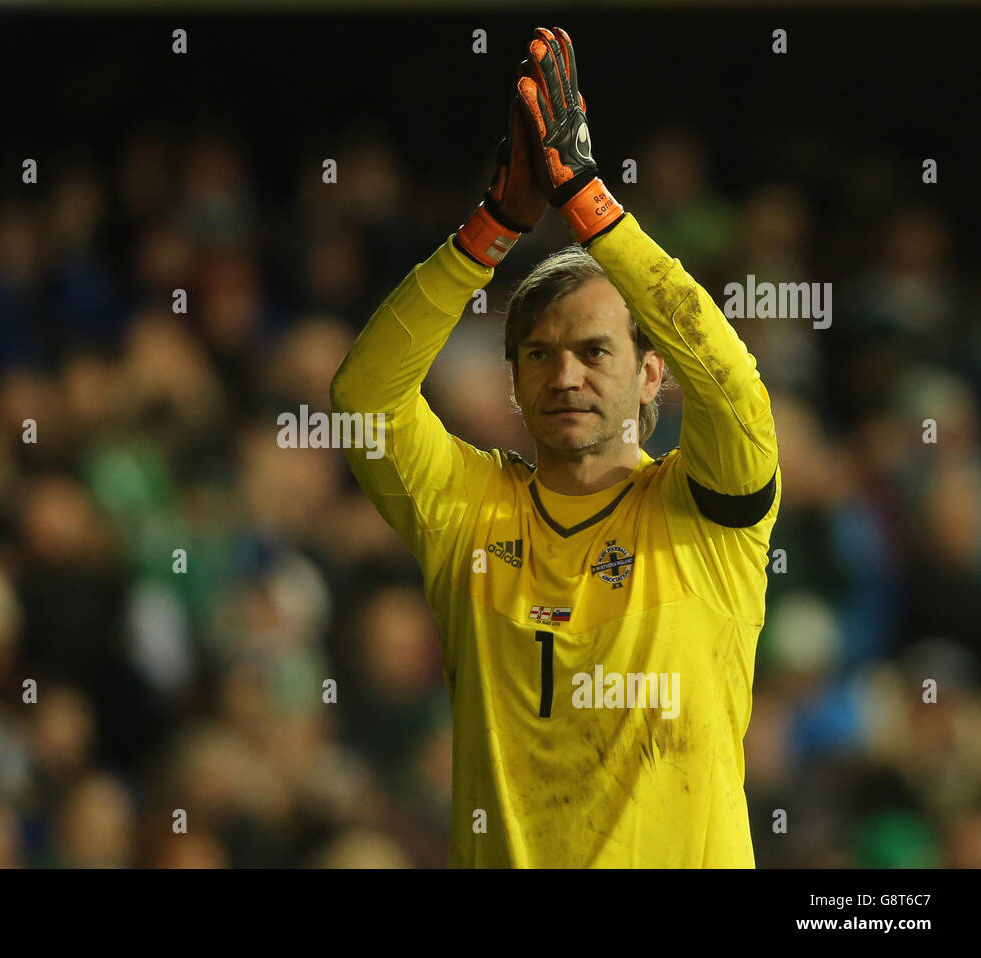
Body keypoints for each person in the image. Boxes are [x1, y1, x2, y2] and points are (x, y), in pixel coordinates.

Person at [330, 27, 780, 867]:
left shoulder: (708, 514)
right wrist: (492, 229)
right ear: (513, 380)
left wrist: (594, 211)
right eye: (539, 354)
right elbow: (362, 398)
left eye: (594, 351)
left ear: (653, 376)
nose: (565, 375)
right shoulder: (465, 510)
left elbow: (734, 388)